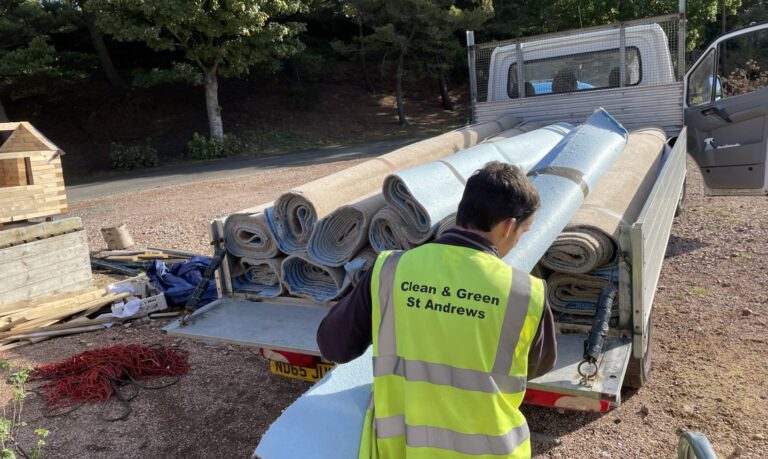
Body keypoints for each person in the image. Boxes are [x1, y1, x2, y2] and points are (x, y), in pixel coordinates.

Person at [317, 161, 557, 459]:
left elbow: (334, 346)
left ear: (463, 211)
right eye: (524, 230)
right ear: (509, 226)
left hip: (401, 450)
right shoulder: (525, 293)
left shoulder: (390, 270)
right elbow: (533, 367)